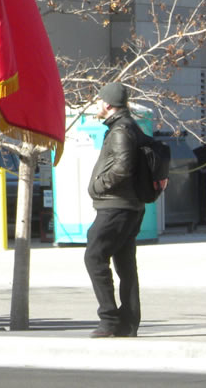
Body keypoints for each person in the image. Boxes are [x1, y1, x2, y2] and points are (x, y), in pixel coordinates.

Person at [84, 81, 147, 338]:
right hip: (129, 206)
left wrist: (99, 186)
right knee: (125, 264)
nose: (97, 104)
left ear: (107, 104)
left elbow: (122, 166)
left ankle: (109, 319)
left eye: (99, 100)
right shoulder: (129, 126)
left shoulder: (120, 130)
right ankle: (129, 323)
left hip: (116, 206)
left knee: (94, 256)